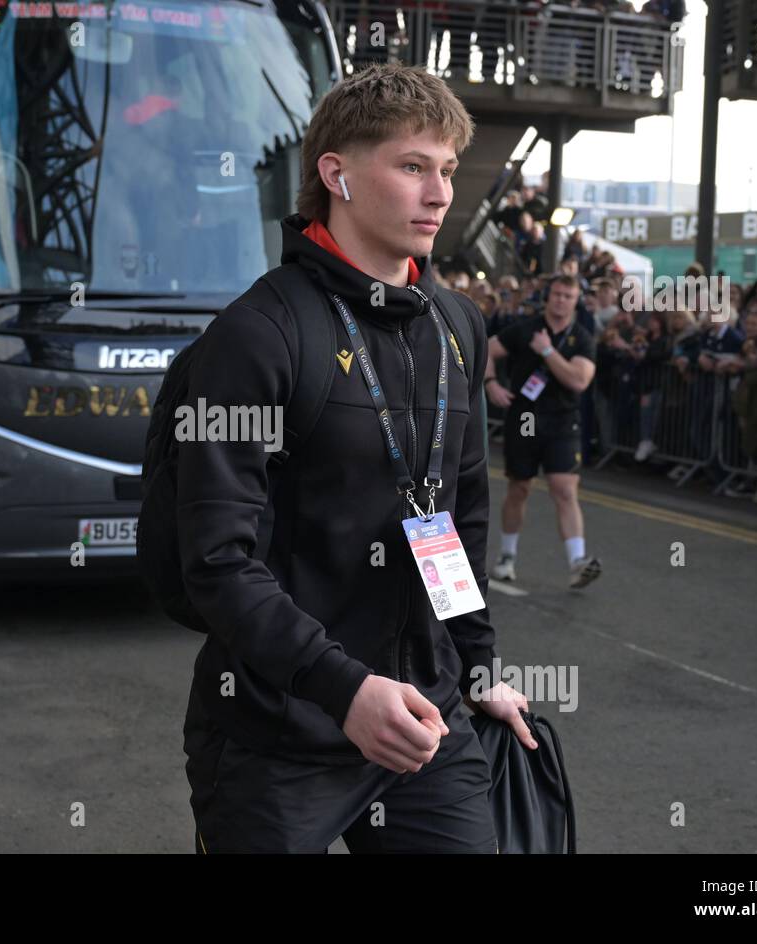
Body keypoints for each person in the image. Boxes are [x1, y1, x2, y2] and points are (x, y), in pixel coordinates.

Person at [177, 63, 535, 855]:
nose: (440, 193)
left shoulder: (458, 325)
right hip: (276, 736)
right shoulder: (256, 335)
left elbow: (456, 516)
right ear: (335, 174)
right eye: (412, 167)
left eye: (446, 169)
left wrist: (478, 668)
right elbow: (217, 561)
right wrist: (344, 691)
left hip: (424, 718)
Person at [485, 273, 602, 589]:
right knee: (519, 487)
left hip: (563, 421)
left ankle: (577, 562)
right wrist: (491, 383)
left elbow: (578, 380)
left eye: (569, 296)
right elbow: (485, 350)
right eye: (558, 294)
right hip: (524, 420)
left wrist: (548, 352)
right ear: (548, 297)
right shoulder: (525, 329)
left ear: (576, 300)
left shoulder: (583, 338)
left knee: (564, 488)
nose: (562, 300)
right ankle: (507, 556)